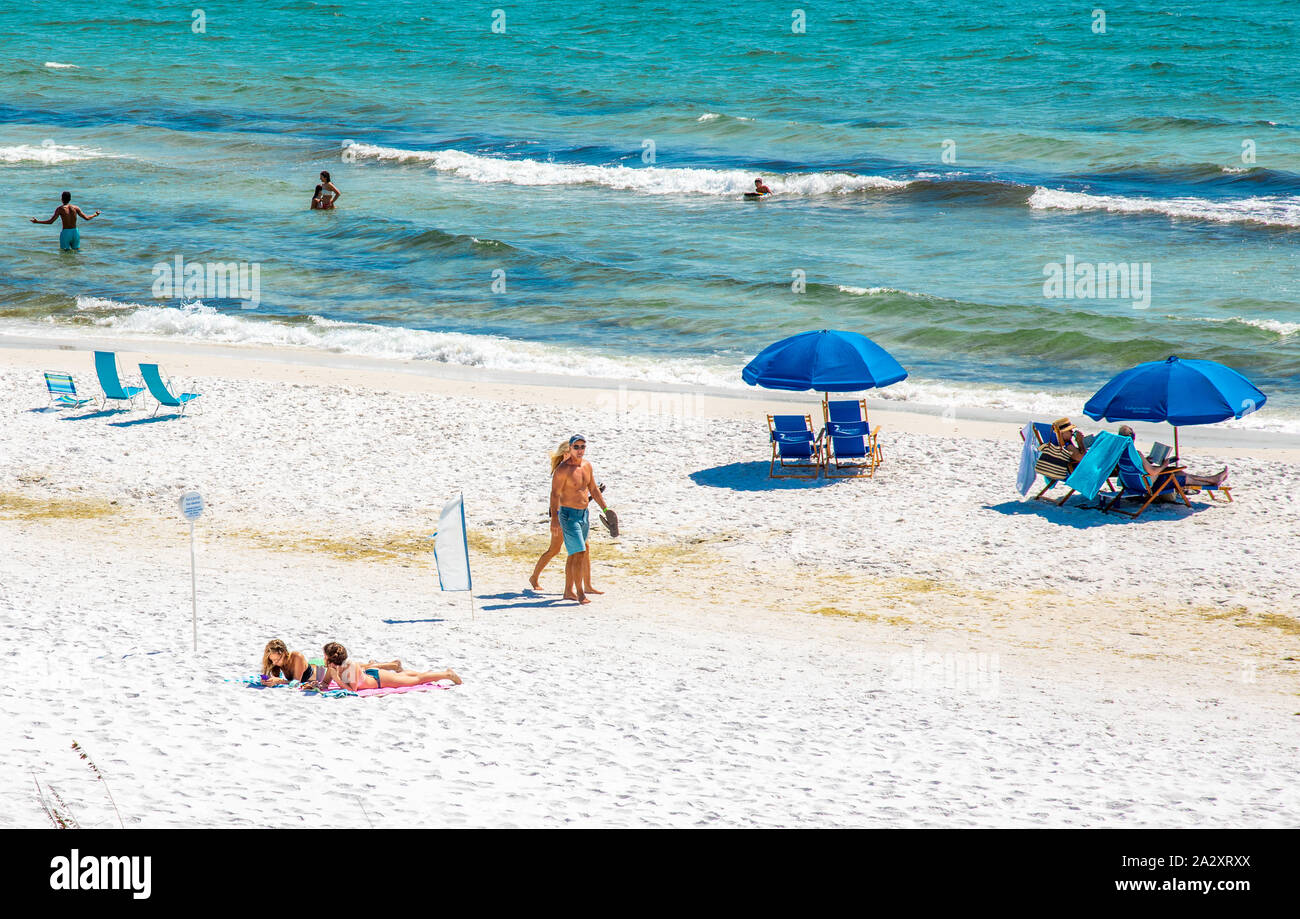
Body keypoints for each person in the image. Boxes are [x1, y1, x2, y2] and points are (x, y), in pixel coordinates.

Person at [549, 435, 611, 604]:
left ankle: (568, 591)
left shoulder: (587, 466)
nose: (580, 450)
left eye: (582, 446)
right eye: (576, 447)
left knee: (573, 555)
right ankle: (580, 592)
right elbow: (554, 494)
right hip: (568, 515)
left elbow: (593, 489)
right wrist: (554, 518)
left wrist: (606, 509)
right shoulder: (562, 470)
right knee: (580, 552)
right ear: (569, 448)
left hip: (584, 515)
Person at [530, 472, 604, 592]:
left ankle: (588, 586)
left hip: (574, 516)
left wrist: (593, 494)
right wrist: (556, 519)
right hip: (562, 516)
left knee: (585, 548)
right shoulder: (563, 473)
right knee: (554, 550)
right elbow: (557, 498)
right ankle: (534, 578)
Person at [1116, 425, 1228, 490]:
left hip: (1131, 484)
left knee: (1179, 474)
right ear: (1133, 438)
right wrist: (1164, 465)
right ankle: (1212, 480)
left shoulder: (1120, 454)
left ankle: (1212, 480)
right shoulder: (1137, 454)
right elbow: (1153, 472)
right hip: (1146, 485)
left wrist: (1145, 461)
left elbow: (1133, 467)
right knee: (1179, 476)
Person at [260, 638, 400, 687]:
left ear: (284, 652)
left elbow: (296, 681)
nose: (276, 663)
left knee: (359, 669)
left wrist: (278, 681)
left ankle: (393, 665)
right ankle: (382, 664)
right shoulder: (276, 662)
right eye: (272, 660)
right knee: (360, 667)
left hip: (319, 671)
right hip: (314, 666)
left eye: (278, 659)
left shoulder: (296, 656)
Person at [320, 642, 460, 690]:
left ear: (331, 657)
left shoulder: (351, 666)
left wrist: (337, 680)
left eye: (325, 655)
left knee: (417, 680)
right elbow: (325, 683)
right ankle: (427, 673)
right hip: (373, 675)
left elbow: (353, 690)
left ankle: (447, 674)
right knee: (403, 676)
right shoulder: (332, 667)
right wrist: (318, 685)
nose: (323, 657)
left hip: (379, 680)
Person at [31, 191, 100, 250]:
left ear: (61, 199)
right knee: (76, 251)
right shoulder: (76, 208)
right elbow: (87, 218)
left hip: (66, 233)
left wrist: (37, 222)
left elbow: (51, 222)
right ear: (70, 199)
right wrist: (95, 214)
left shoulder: (60, 209)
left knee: (65, 253)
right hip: (75, 232)